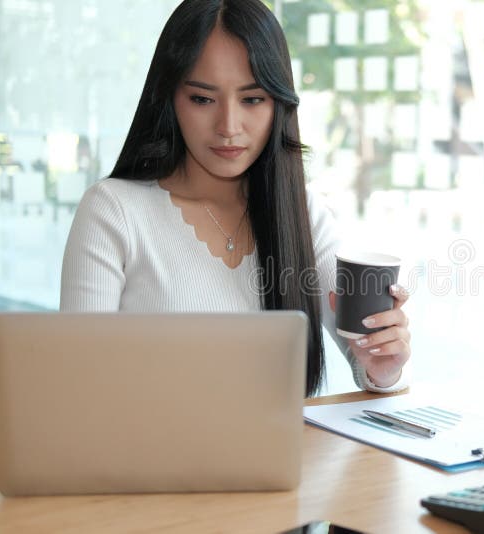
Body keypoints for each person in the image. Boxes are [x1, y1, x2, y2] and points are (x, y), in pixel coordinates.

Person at [60, 0, 411, 397]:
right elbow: (78, 389)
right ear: (169, 99)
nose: (228, 127)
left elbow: (368, 364)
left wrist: (383, 368)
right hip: (145, 459)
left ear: (279, 104)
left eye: (252, 99)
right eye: (202, 99)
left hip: (281, 459)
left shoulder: (304, 212)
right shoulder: (113, 211)